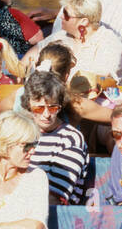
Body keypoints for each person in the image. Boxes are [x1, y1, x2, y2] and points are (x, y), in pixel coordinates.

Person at [22, 0, 122, 84]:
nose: (61, 16)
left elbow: (98, 81)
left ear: (84, 21)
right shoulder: (63, 35)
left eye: (66, 14)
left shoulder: (109, 43)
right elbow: (28, 59)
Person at [20, 72, 90, 204]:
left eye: (52, 108)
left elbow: (55, 197)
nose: (46, 115)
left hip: (52, 212)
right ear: (28, 105)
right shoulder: (20, 132)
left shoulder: (71, 139)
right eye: (39, 108)